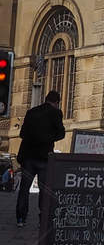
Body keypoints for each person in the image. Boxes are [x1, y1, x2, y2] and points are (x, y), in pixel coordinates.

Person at [14, 89, 66, 228]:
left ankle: (21, 218)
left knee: (24, 189)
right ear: (56, 102)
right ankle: (42, 219)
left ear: (46, 99)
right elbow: (61, 134)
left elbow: (23, 133)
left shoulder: (31, 112)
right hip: (44, 157)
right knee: (44, 190)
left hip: (29, 156)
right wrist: (49, 138)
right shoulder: (56, 113)